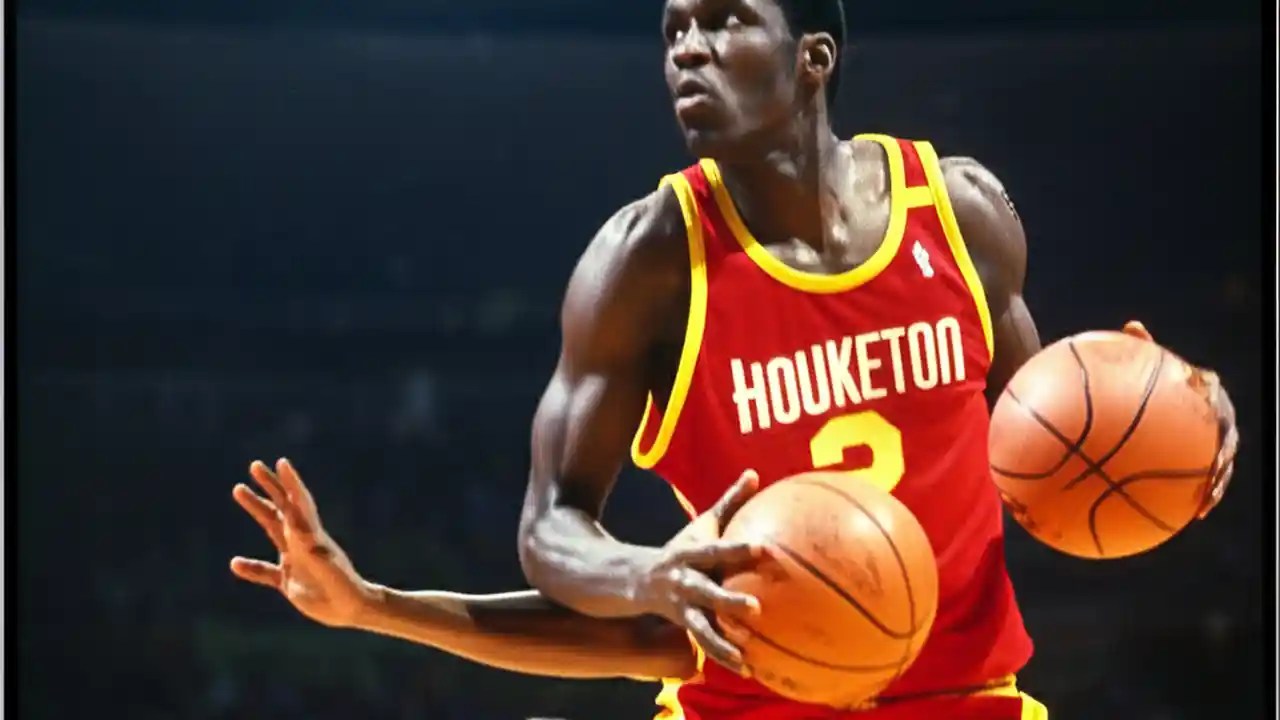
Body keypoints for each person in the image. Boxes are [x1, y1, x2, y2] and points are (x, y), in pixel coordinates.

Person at [231, 0, 1239, 718]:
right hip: (743, 705)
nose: (687, 50)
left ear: (812, 56)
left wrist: (1180, 420)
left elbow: (1053, 446)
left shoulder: (958, 211)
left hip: (963, 698)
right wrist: (644, 572)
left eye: (721, 21)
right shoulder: (645, 262)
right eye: (672, 30)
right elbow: (551, 530)